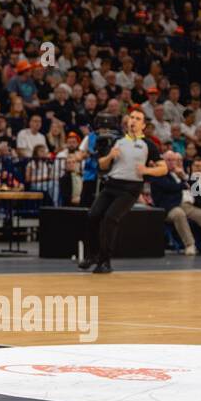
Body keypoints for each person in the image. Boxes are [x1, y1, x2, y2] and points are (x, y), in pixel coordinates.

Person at [77, 108, 167, 275]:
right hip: (111, 184)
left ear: (143, 124)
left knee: (110, 218)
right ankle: (92, 255)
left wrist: (147, 170)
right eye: (131, 117)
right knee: (92, 215)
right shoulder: (117, 141)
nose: (133, 121)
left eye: (137, 118)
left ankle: (105, 261)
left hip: (131, 188)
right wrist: (110, 156)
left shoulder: (148, 145)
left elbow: (164, 168)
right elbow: (102, 165)